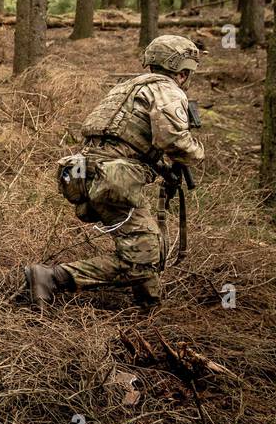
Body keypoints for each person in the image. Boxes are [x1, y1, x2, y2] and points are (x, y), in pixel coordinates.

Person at [25, 34, 206, 307]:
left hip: (86, 174)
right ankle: (53, 277)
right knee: (143, 260)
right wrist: (197, 151)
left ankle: (150, 306)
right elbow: (172, 140)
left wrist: (159, 167)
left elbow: (119, 139)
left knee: (145, 244)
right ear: (182, 70)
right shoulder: (167, 90)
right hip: (113, 179)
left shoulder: (127, 87)